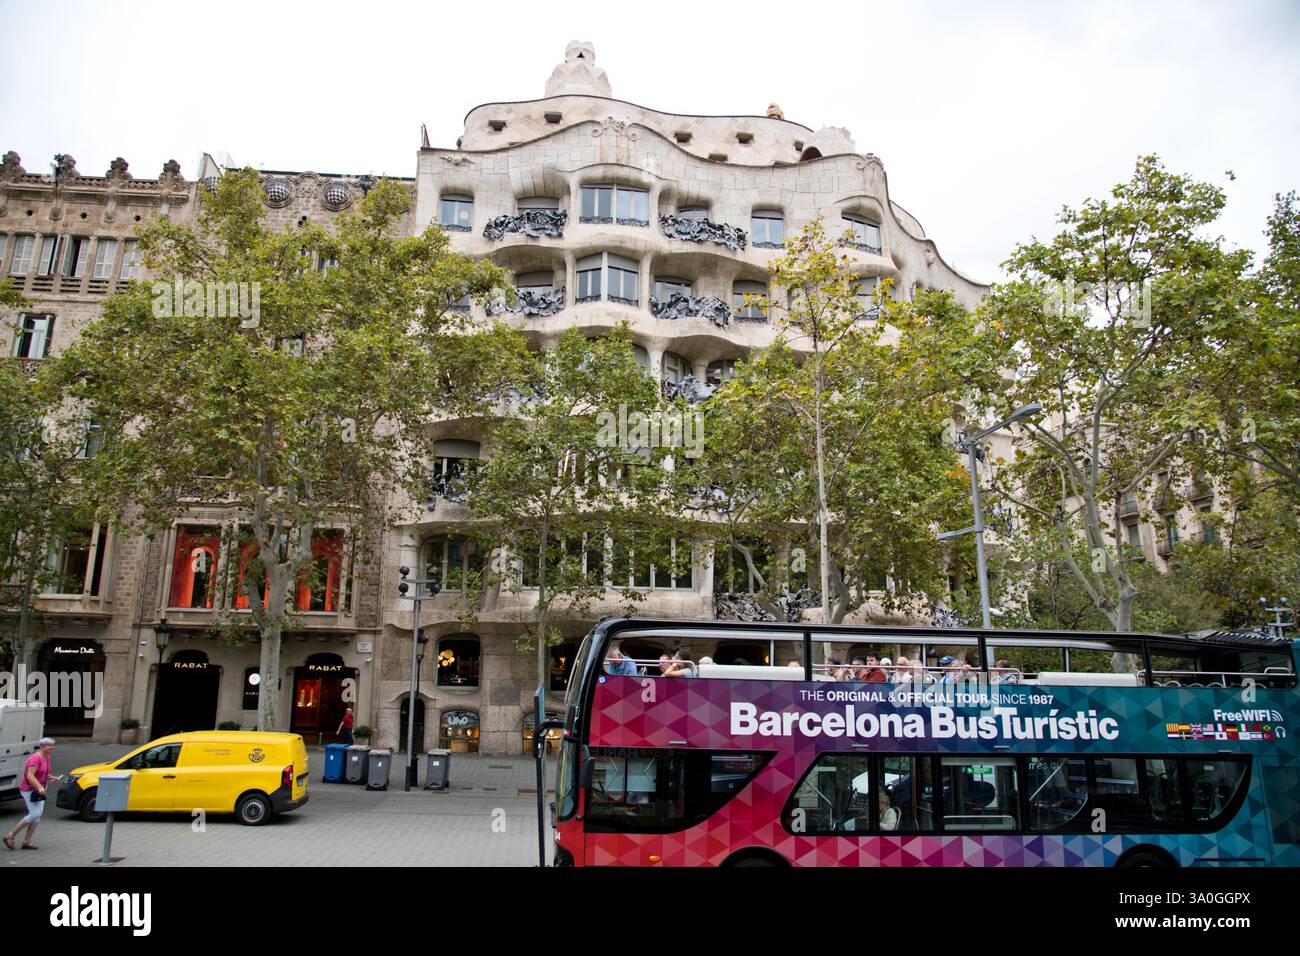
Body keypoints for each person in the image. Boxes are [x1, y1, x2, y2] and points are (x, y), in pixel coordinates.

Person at [5, 738, 59, 851]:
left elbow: (44, 771)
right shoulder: (35, 758)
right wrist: (39, 787)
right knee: (35, 814)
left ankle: (26, 842)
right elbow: (30, 775)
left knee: (37, 815)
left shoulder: (47, 756)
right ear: (42, 746)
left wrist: (51, 777)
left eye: (53, 745)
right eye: (50, 745)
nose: (52, 747)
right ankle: (10, 835)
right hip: (29, 789)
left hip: (39, 790)